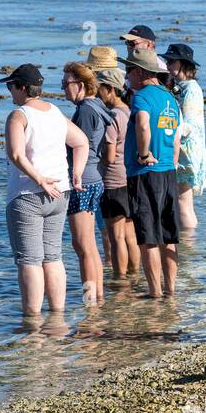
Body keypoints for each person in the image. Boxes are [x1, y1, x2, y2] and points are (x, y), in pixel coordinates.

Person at [2, 64, 90, 316]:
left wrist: (39, 179)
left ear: (22, 87)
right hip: (60, 193)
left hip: (28, 195)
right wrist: (76, 174)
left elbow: (16, 154)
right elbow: (81, 142)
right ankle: (58, 317)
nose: (10, 91)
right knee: (52, 256)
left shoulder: (19, 115)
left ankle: (32, 321)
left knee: (29, 260)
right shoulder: (55, 112)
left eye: (11, 86)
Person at [122, 47, 182, 298]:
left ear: (139, 72)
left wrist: (144, 154)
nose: (126, 77)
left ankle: (155, 293)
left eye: (128, 71)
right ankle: (170, 291)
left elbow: (143, 125)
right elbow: (177, 136)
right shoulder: (170, 97)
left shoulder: (142, 96)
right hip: (168, 172)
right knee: (168, 236)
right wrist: (173, 162)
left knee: (148, 237)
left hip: (145, 172)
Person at [61, 62, 109, 303]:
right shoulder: (96, 105)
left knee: (83, 247)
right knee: (88, 245)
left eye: (66, 84)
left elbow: (81, 145)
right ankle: (97, 298)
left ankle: (90, 301)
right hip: (93, 179)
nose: (63, 89)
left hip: (84, 180)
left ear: (80, 85)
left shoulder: (86, 110)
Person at [94, 67, 139, 279]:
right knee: (130, 234)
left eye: (98, 89)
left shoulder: (112, 118)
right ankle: (134, 273)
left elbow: (109, 156)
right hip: (130, 177)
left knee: (116, 237)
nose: (95, 93)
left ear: (110, 89)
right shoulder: (130, 112)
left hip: (113, 181)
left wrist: (94, 159)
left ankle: (120, 279)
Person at [161, 43, 206, 233]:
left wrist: (165, 131)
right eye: (167, 61)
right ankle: (186, 242)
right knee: (181, 199)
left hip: (187, 151)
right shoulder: (180, 86)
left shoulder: (190, 88)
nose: (168, 65)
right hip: (182, 148)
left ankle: (188, 243)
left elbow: (190, 124)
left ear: (184, 64)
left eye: (172, 61)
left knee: (183, 200)